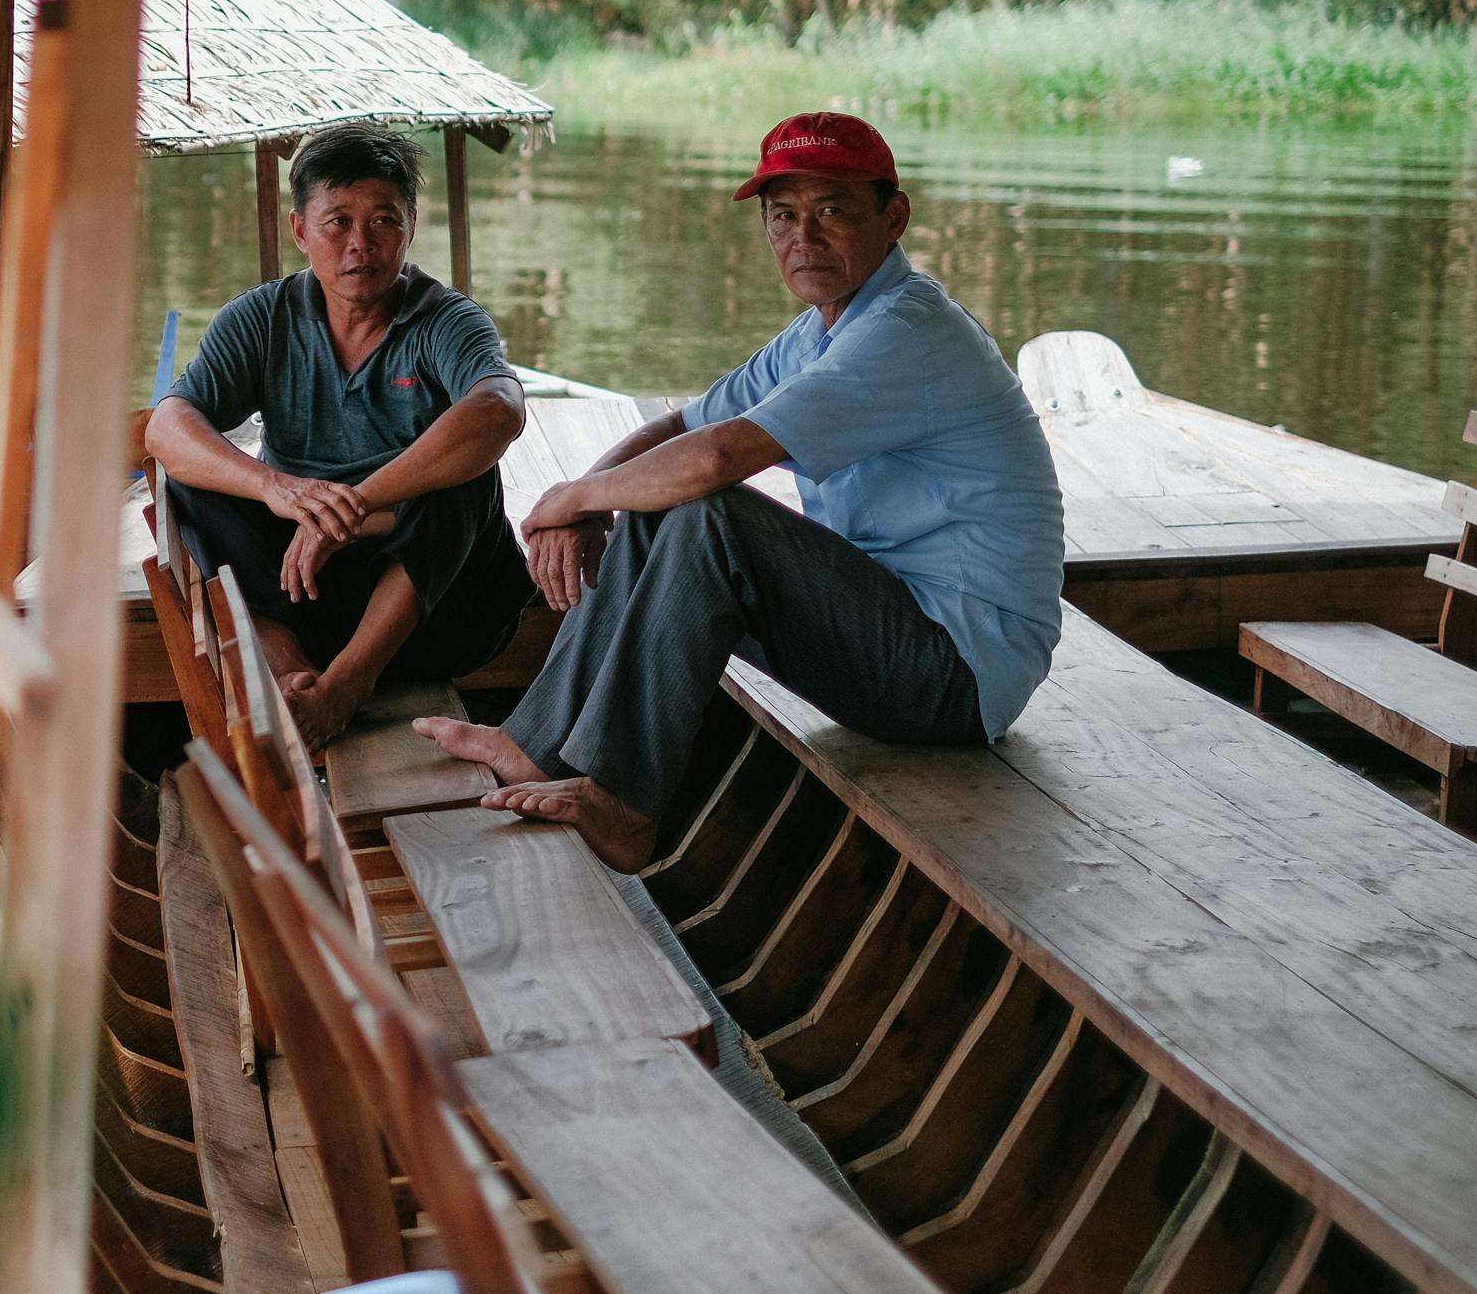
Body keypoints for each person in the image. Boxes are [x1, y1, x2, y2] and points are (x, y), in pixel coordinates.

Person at [415, 111, 1064, 870]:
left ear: (893, 218)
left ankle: (623, 800)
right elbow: (680, 428)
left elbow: (717, 457)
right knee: (665, 513)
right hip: (895, 636)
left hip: (957, 675)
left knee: (707, 512)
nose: (804, 238)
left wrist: (575, 501)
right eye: (784, 215)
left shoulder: (906, 331)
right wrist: (590, 493)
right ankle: (534, 746)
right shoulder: (823, 329)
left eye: (831, 211)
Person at [146, 123, 538, 743]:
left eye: (384, 220)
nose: (361, 243)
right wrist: (278, 489)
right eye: (338, 222)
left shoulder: (445, 319)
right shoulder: (262, 317)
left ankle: (344, 688)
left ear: (411, 226)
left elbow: (500, 408)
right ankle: (290, 671)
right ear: (301, 230)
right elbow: (168, 424)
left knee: (468, 477)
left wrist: (354, 506)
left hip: (439, 616)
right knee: (189, 476)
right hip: (299, 598)